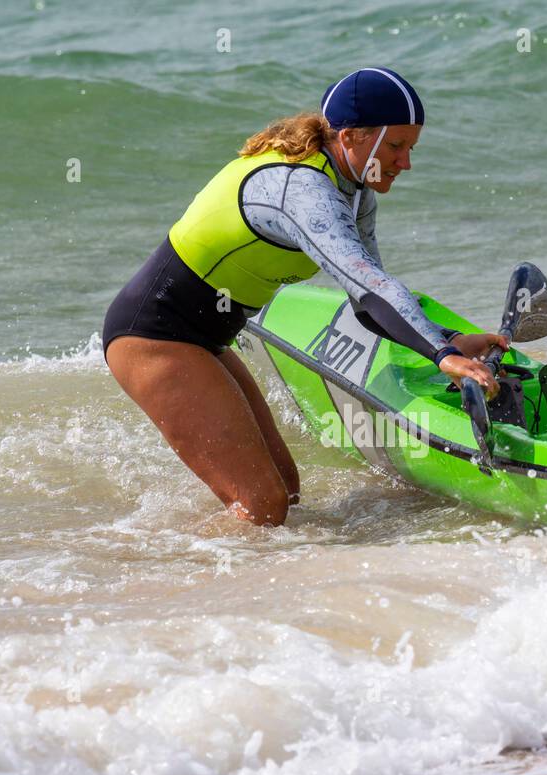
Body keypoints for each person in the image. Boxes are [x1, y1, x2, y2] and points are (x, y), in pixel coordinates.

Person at [102, 67, 506, 526]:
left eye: (411, 148)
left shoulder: (354, 193)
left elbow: (366, 300)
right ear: (352, 136)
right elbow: (374, 291)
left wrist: (446, 339)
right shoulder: (303, 190)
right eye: (396, 146)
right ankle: (188, 578)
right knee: (263, 504)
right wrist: (443, 355)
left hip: (204, 340)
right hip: (153, 335)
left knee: (285, 494)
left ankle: (222, 563)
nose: (405, 163)